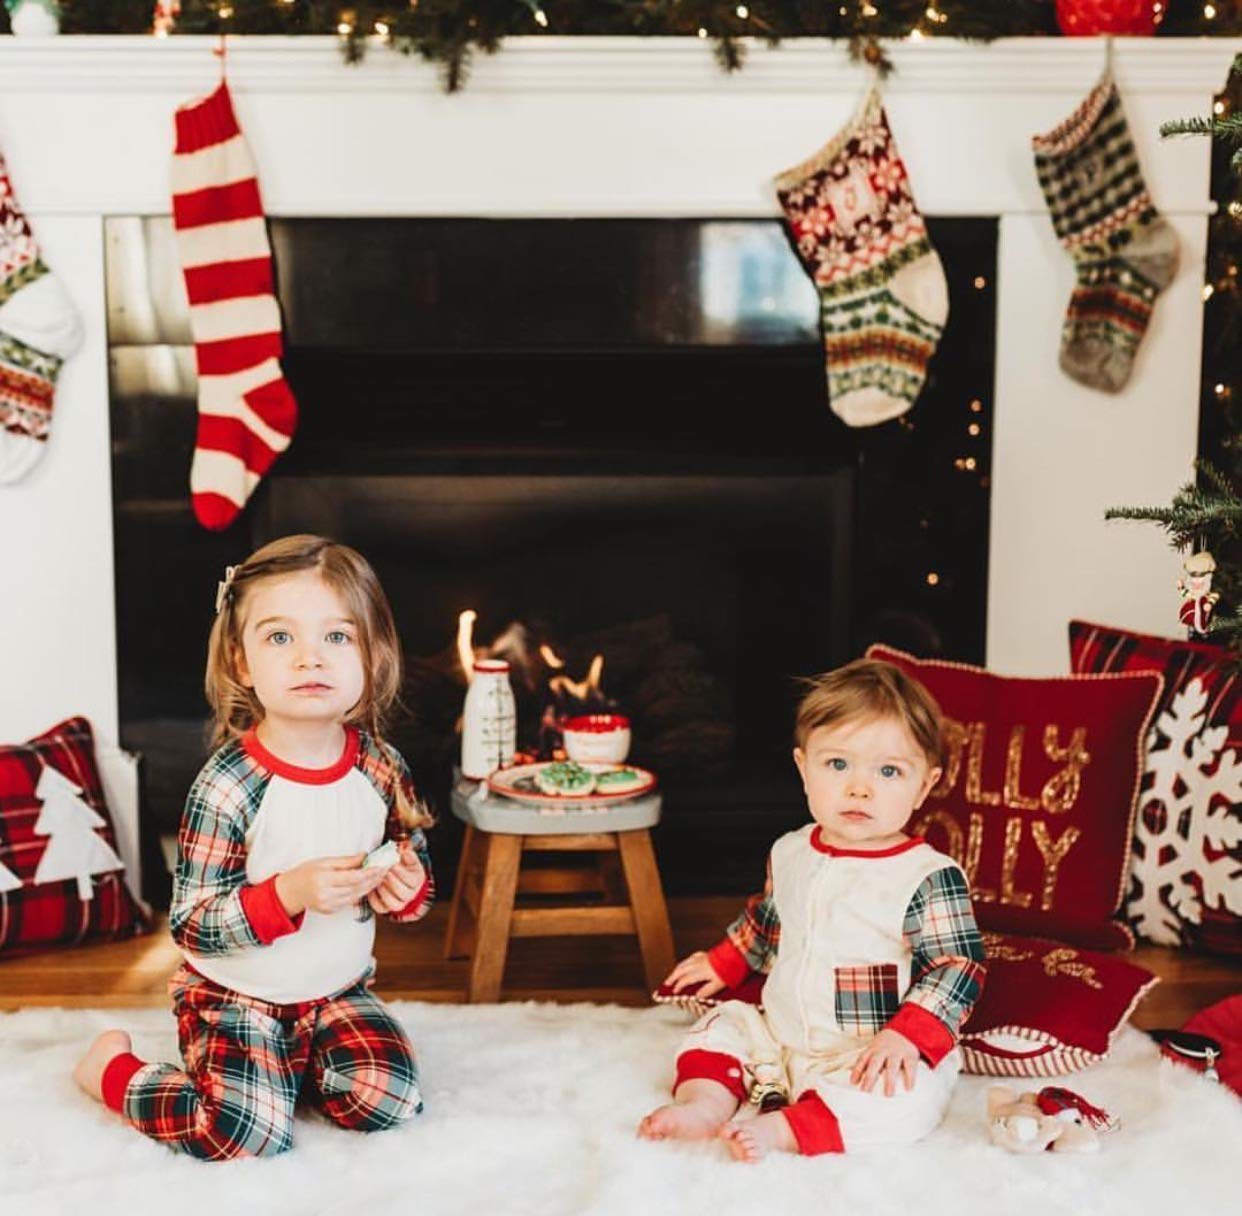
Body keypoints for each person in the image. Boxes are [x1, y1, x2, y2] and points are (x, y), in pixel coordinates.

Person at [72, 535, 435, 1159]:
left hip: (335, 991)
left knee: (387, 1099)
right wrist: (290, 893)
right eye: (279, 638)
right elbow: (191, 925)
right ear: (242, 662)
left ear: (372, 657)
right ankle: (112, 1072)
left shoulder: (380, 767)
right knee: (243, 1133)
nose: (309, 660)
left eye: (337, 637)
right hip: (234, 995)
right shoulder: (229, 784)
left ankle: (291, 1067)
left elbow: (413, 866)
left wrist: (407, 889)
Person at [638, 658, 986, 1162]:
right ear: (803, 768)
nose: (859, 787)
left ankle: (787, 1129)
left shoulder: (926, 876)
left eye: (889, 771)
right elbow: (770, 917)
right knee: (720, 1028)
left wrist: (906, 1036)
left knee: (901, 1102)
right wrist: (727, 960)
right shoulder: (791, 850)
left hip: (867, 1050)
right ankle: (704, 1104)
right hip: (780, 1034)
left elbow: (956, 965)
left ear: (924, 787)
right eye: (838, 764)